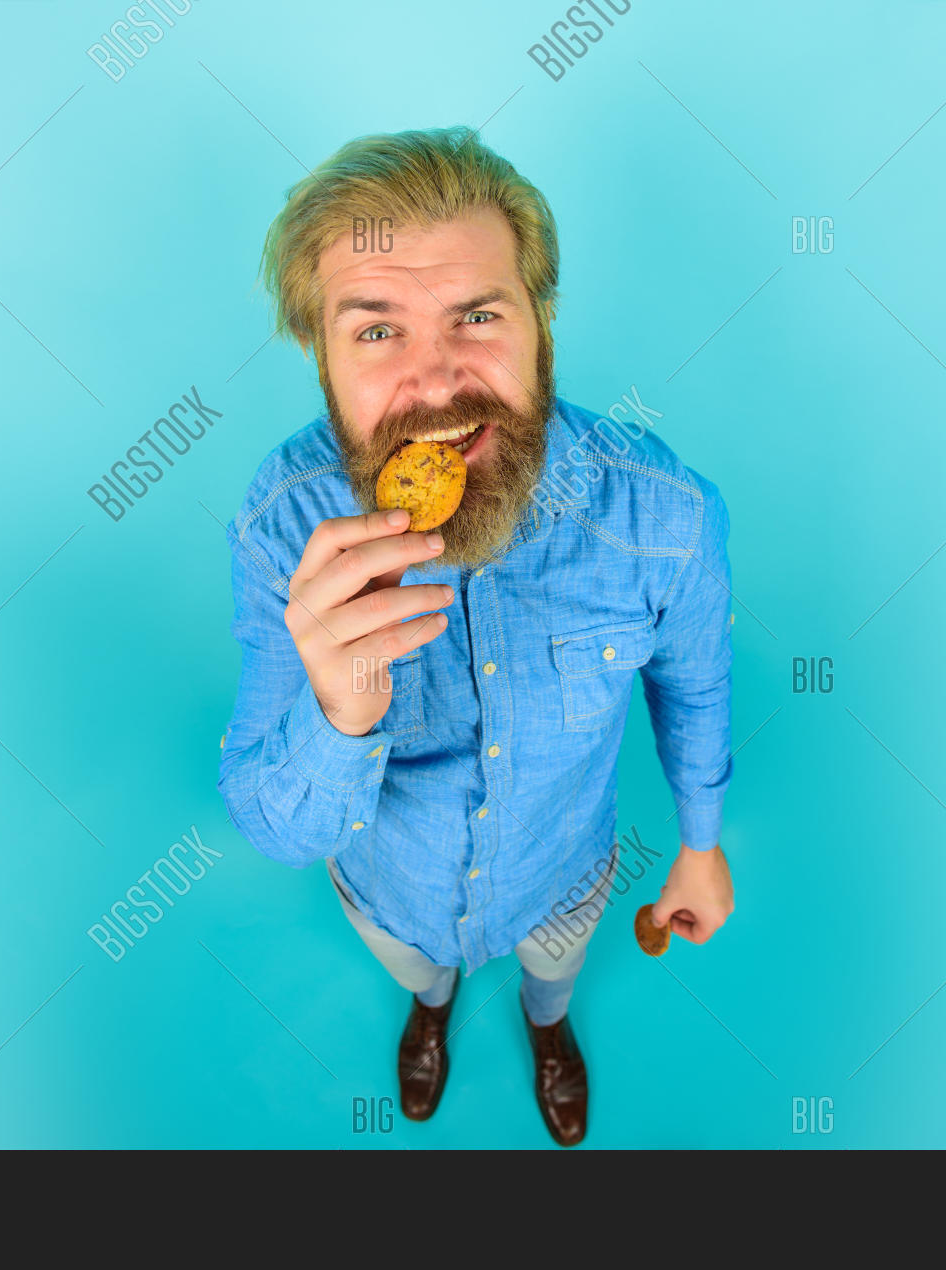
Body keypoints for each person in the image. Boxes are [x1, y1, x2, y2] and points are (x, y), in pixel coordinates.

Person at [218, 127, 735, 1146]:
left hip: (566, 875)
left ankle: (549, 1035)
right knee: (424, 971)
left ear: (540, 321)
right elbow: (278, 829)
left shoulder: (665, 516)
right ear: (319, 357)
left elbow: (697, 682)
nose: (438, 381)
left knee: (554, 973)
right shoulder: (284, 525)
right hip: (390, 896)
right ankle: (431, 1013)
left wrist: (701, 845)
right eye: (375, 331)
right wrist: (341, 708)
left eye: (478, 315)